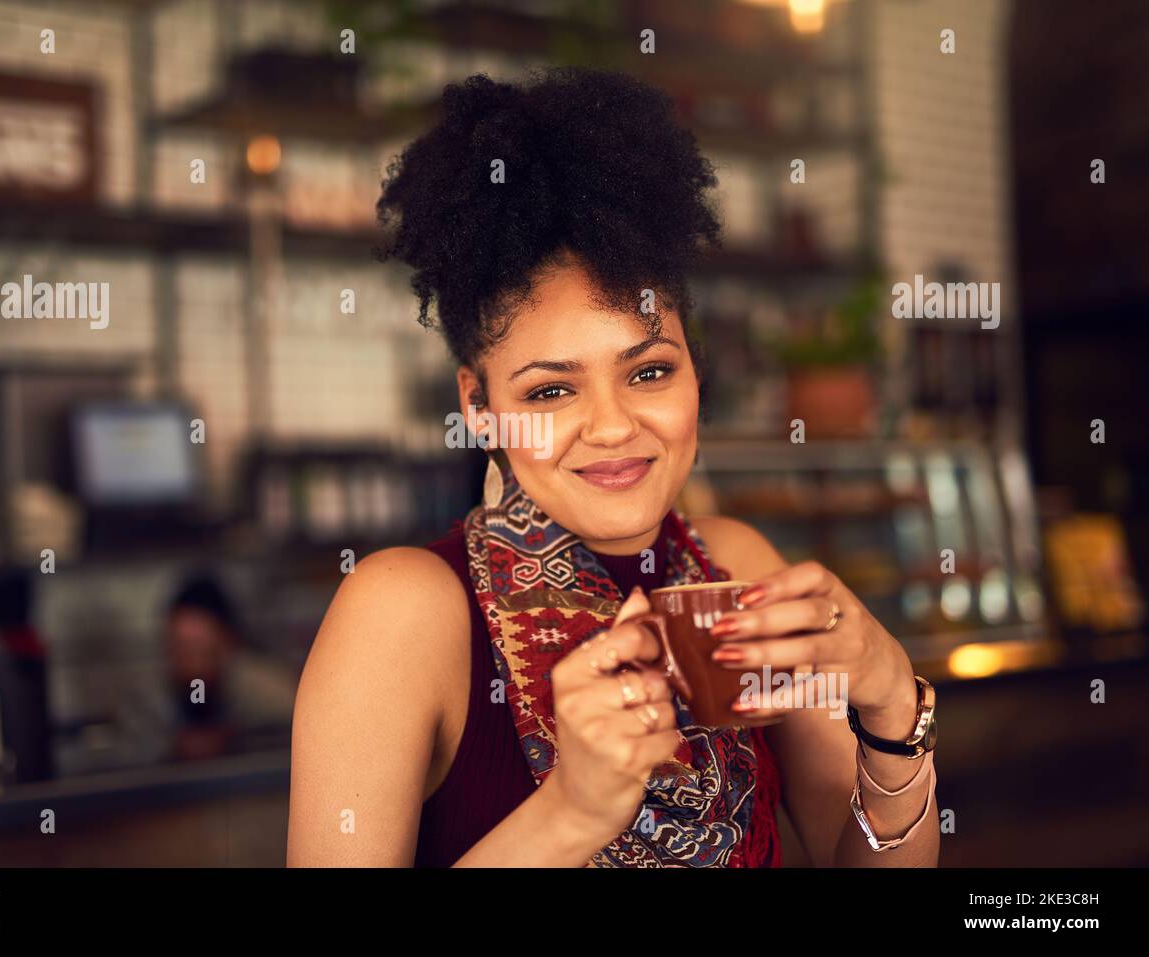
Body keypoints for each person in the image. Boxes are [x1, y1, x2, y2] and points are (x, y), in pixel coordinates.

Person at [288, 68, 938, 867]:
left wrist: (892, 703)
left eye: (650, 371)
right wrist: (572, 811)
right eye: (552, 388)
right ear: (479, 406)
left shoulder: (739, 570)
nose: (611, 424)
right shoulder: (402, 615)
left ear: (695, 371)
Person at [164, 574, 294, 761]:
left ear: (227, 643)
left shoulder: (265, 689)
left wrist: (232, 739)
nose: (193, 665)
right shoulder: (162, 692)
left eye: (201, 649)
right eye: (180, 649)